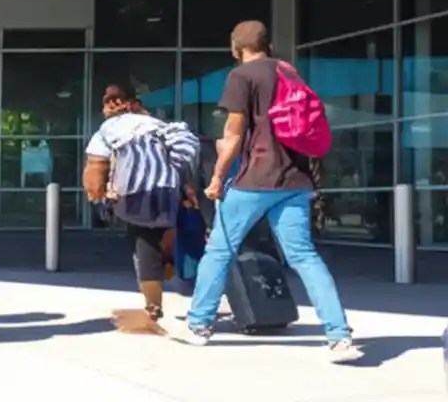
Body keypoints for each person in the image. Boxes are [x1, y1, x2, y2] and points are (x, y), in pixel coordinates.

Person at [174, 21, 360, 362]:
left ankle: (198, 324)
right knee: (304, 256)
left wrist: (216, 177)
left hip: (254, 179)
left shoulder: (242, 77)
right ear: (268, 44)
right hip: (295, 179)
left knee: (219, 250)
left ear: (235, 46)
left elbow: (233, 134)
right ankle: (339, 336)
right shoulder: (289, 71)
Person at [83, 84, 175, 334]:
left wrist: (97, 194)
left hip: (135, 194)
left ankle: (153, 304)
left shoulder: (109, 128)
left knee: (143, 244)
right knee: (163, 238)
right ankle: (168, 261)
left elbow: (96, 165)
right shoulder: (157, 125)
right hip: (169, 191)